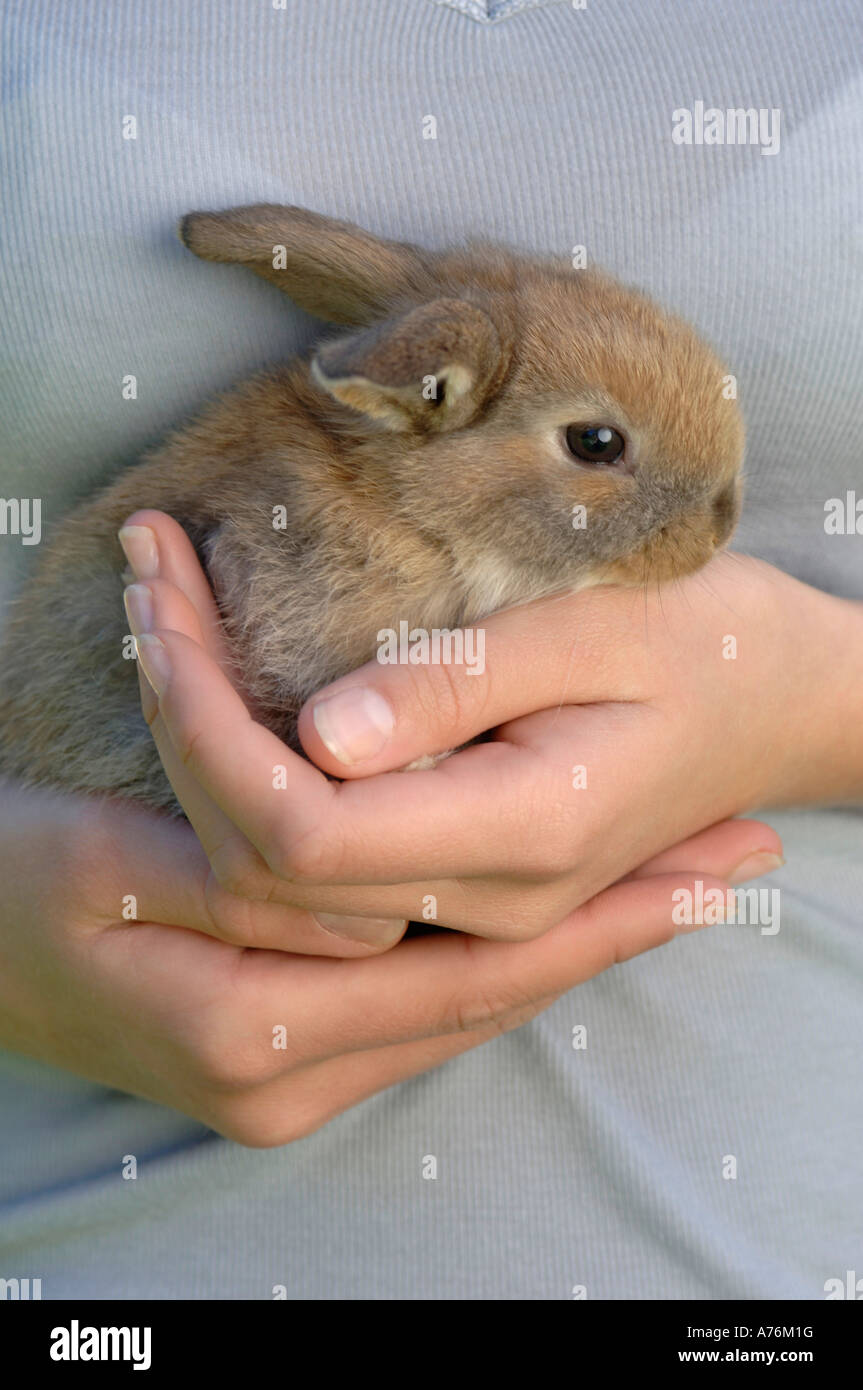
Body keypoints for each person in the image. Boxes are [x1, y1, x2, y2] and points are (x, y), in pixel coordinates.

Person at [1, 0, 860, 1300]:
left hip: (766, 1254)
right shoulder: (317, 494)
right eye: (596, 449)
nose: (712, 529)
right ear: (407, 398)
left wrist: (802, 704)